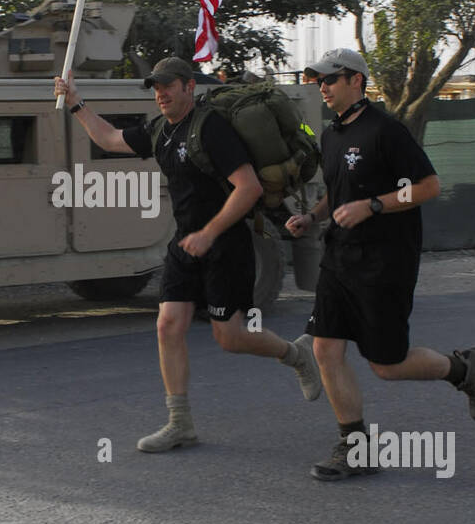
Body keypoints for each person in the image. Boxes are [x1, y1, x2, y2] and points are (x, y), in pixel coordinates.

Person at [54, 56, 322, 451]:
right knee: (167, 326)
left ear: (189, 87)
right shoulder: (161, 130)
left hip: (224, 243)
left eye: (168, 86)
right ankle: (180, 423)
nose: (160, 93)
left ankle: (296, 354)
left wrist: (210, 233)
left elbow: (247, 188)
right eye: (156, 87)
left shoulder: (211, 128)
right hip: (185, 243)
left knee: (230, 337)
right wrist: (76, 103)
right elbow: (109, 138)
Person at [285, 48, 475, 482]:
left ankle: (464, 368)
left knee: (387, 364)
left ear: (356, 81)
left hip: (384, 261)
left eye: (330, 78)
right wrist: (313, 217)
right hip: (339, 257)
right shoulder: (331, 134)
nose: (322, 86)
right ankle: (355, 447)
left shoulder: (386, 131)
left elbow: (429, 186)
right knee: (325, 347)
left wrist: (373, 206)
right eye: (318, 79)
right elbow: (339, 192)